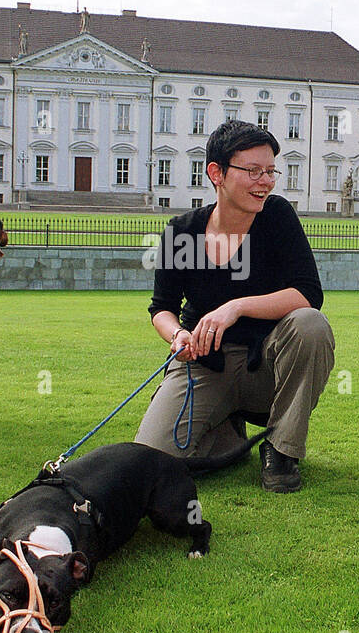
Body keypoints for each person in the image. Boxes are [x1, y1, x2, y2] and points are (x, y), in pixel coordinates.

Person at [135, 120, 335, 492]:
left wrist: (237, 307)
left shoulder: (276, 217)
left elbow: (308, 293)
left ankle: (280, 450)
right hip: (205, 365)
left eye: (271, 171)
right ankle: (227, 430)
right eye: (253, 171)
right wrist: (177, 335)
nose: (266, 181)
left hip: (267, 365)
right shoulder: (183, 233)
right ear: (217, 173)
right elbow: (161, 308)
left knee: (311, 324)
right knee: (151, 464)